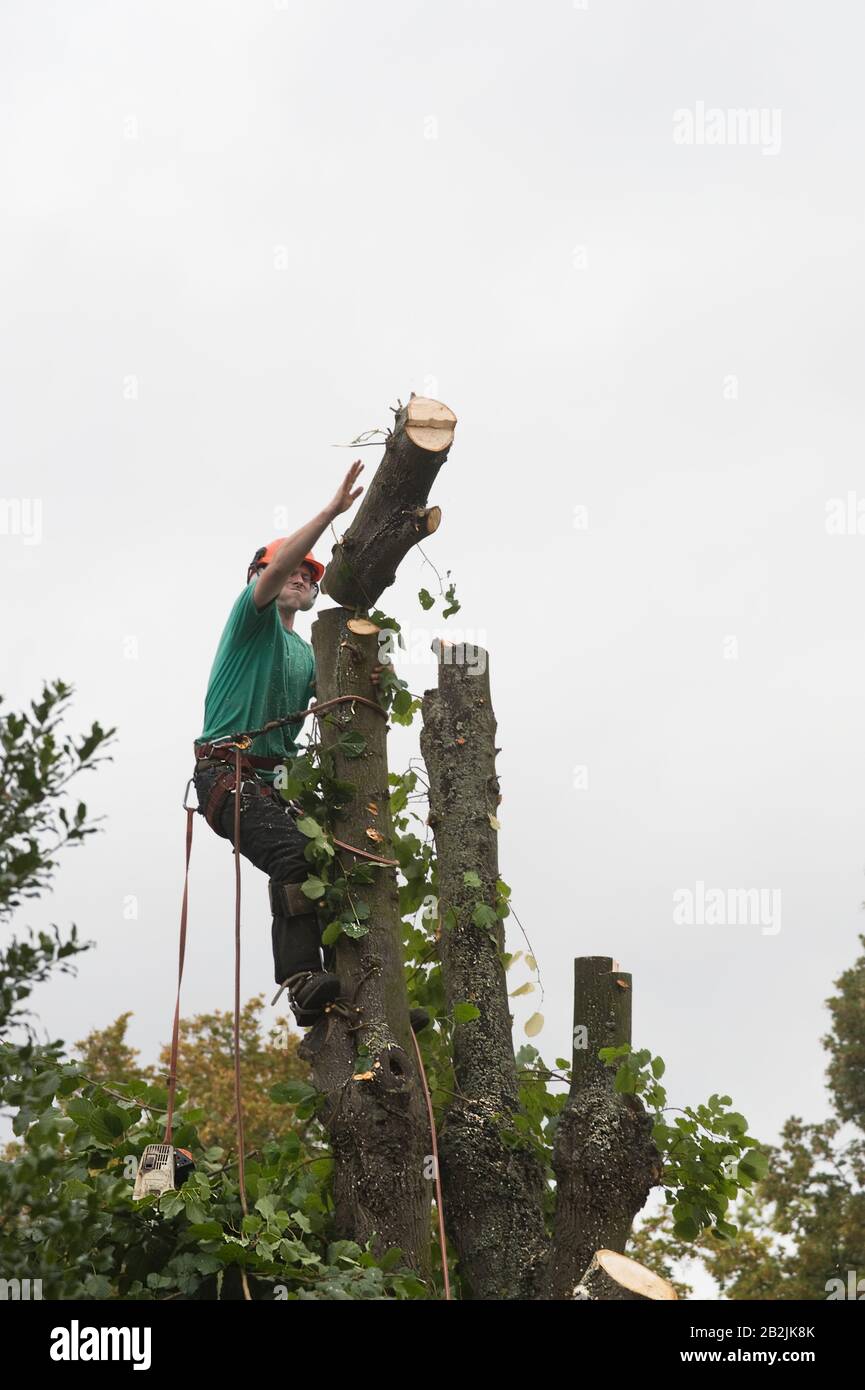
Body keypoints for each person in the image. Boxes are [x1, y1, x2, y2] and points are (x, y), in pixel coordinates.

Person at [192, 461, 367, 1028]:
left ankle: (365, 993)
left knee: (337, 868)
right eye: (292, 570)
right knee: (293, 856)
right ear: (260, 576)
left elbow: (344, 702)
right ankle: (300, 979)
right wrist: (331, 513)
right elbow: (276, 572)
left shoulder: (309, 653)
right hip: (227, 775)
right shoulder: (251, 620)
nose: (303, 578)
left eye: (312, 577)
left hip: (276, 784)